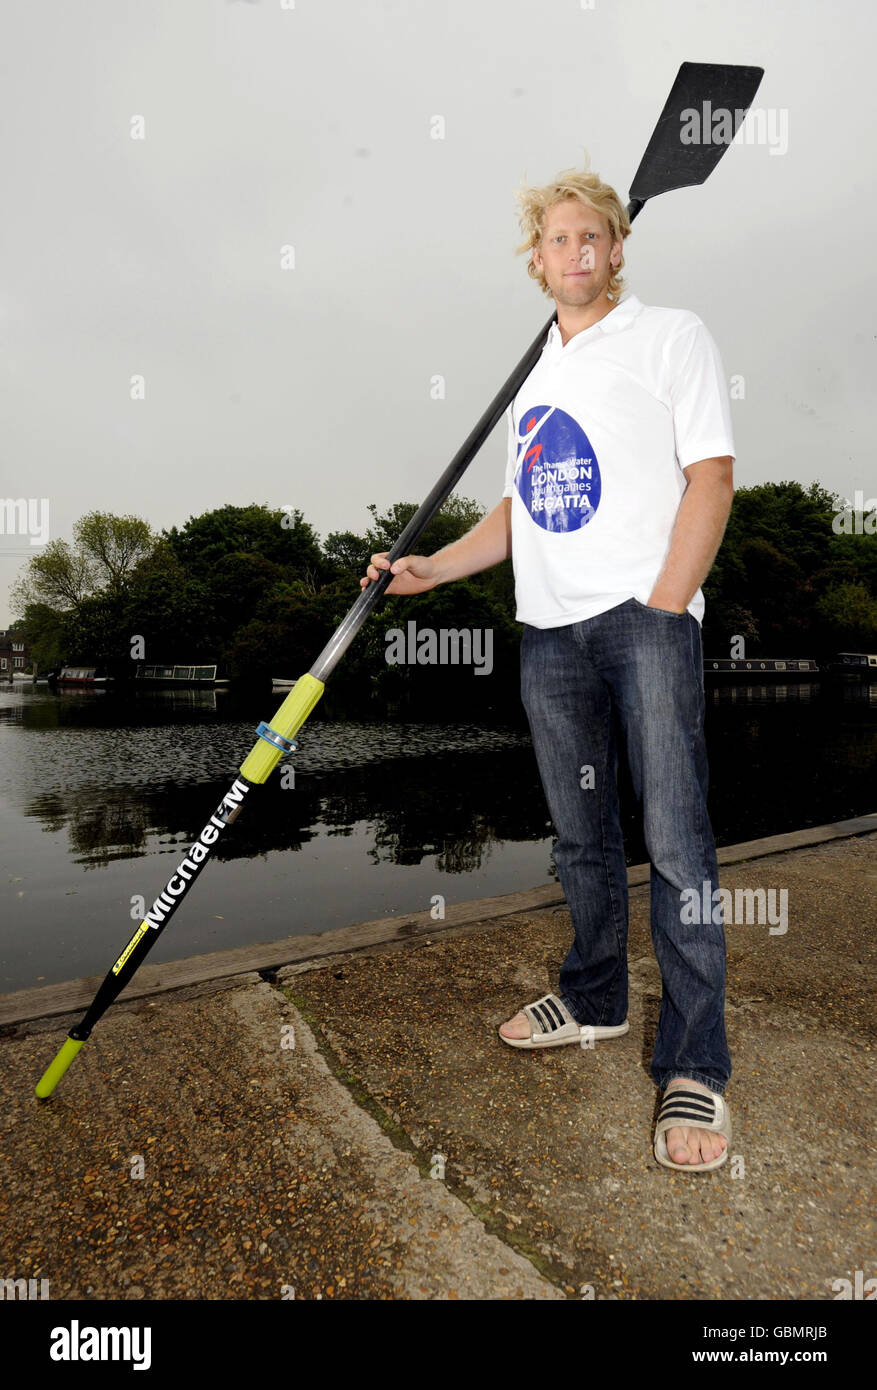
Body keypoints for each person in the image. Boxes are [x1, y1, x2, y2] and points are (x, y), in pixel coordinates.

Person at [361, 166, 736, 1172]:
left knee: (677, 838)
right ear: (536, 262)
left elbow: (711, 474)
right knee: (579, 836)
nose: (573, 253)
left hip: (641, 621)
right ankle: (597, 997)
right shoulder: (535, 379)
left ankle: (695, 1058)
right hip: (550, 632)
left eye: (590, 238)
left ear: (616, 250)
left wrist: (664, 606)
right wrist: (432, 567)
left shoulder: (670, 336)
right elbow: (521, 509)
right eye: (555, 241)